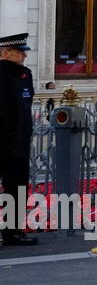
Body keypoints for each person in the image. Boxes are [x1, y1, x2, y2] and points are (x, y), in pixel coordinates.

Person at [0, 32, 37, 246]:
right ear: (6, 53)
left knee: (17, 189)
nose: (24, 55)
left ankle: (12, 232)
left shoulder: (25, 75)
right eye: (20, 52)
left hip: (18, 143)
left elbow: (26, 105)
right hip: (1, 141)